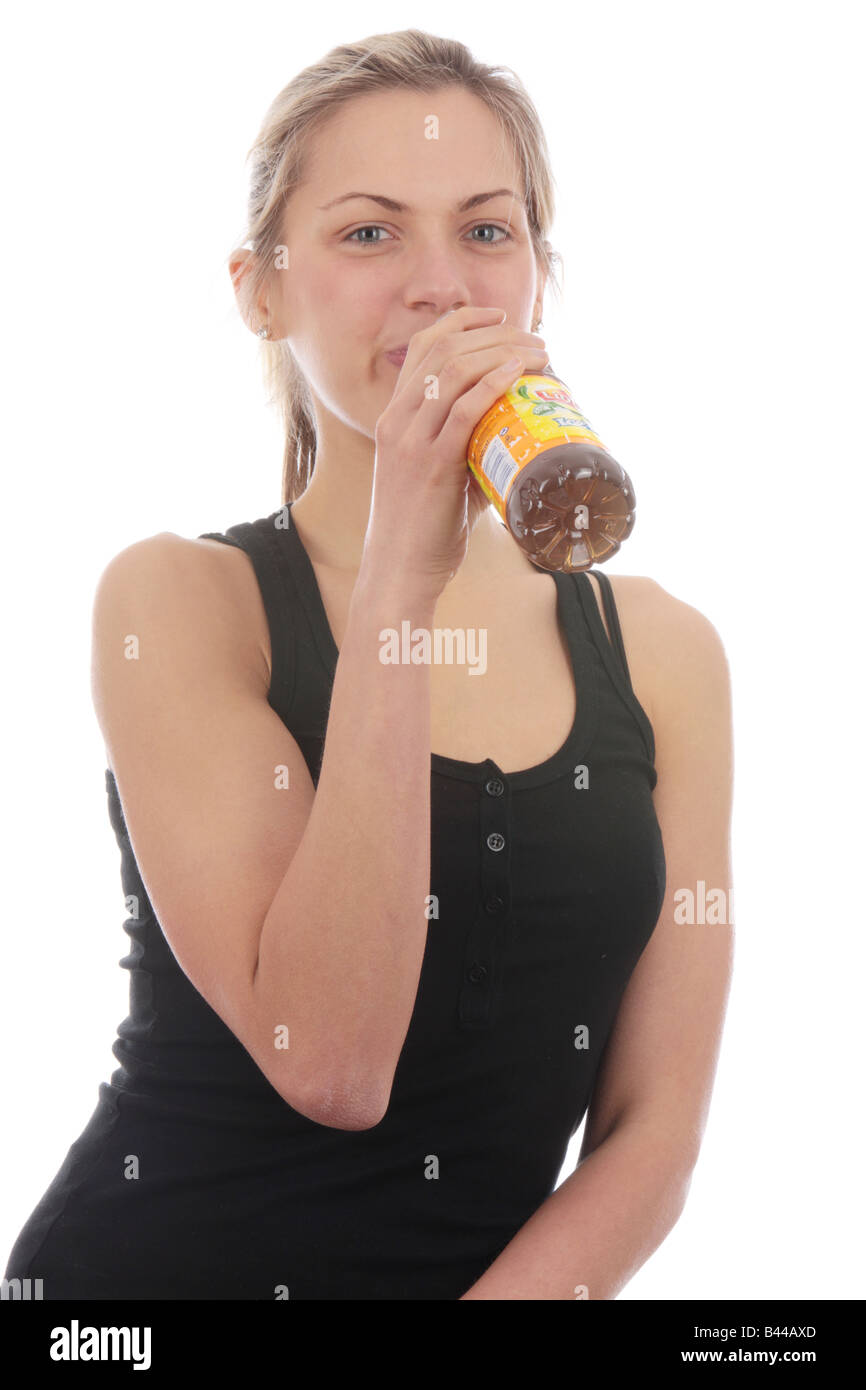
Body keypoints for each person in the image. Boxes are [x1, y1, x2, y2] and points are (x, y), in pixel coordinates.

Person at [3, 28, 734, 1301]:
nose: (439, 285)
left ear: (536, 282)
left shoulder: (663, 650)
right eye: (366, 233)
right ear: (259, 291)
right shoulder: (179, 601)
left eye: (487, 231)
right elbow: (330, 1064)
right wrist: (402, 576)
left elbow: (651, 1136)